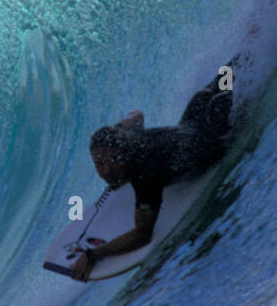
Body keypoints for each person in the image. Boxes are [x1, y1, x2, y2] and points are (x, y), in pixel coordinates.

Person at [70, 66, 235, 281]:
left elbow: (142, 235)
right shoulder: (126, 136)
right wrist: (117, 130)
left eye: (112, 161)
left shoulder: (145, 173)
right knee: (232, 71)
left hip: (214, 136)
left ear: (123, 154)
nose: (106, 169)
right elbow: (136, 116)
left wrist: (92, 254)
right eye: (99, 163)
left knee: (234, 78)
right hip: (194, 116)